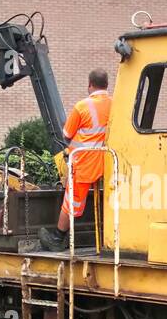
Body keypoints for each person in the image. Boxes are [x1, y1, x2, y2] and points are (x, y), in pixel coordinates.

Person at [39, 69, 112, 251]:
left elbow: (66, 134)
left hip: (84, 163)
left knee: (72, 201)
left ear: (90, 84)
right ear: (106, 84)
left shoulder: (82, 107)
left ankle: (58, 238)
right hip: (107, 162)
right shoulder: (115, 104)